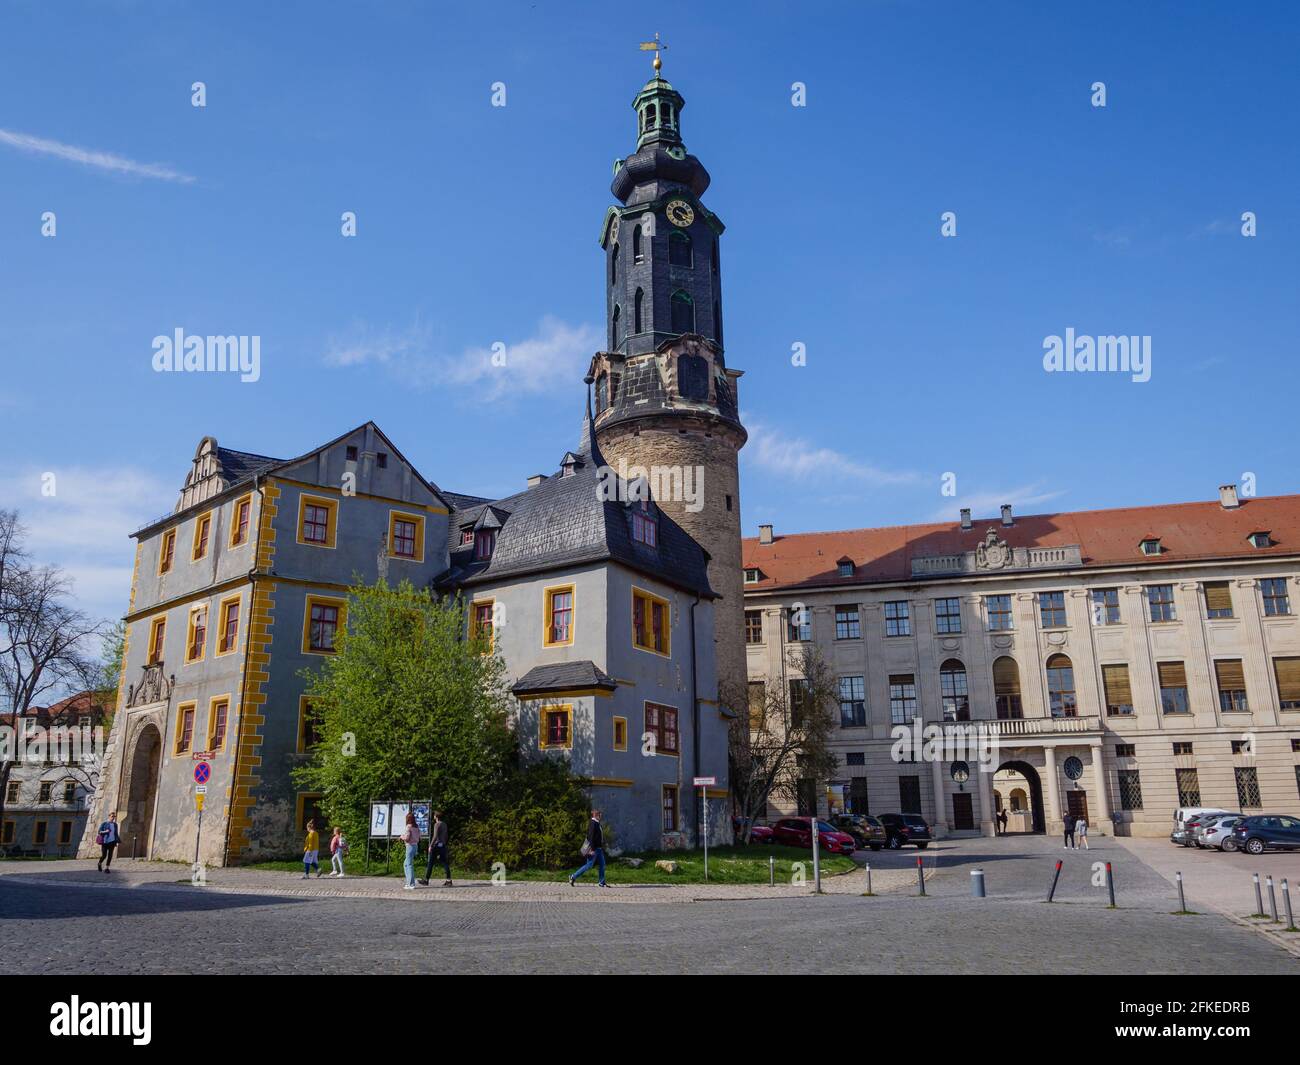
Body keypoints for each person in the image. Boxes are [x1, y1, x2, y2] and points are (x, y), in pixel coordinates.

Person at [568, 809, 608, 888]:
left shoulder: (596, 823)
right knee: (589, 865)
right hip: (594, 849)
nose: (601, 816)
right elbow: (590, 837)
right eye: (600, 815)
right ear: (596, 815)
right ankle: (573, 876)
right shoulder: (593, 823)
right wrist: (591, 849)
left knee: (602, 864)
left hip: (599, 849)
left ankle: (601, 882)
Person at [418, 810, 452, 887]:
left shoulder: (437, 825)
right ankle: (449, 880)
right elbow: (446, 836)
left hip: (436, 845)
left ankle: (426, 880)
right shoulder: (444, 824)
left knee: (431, 862)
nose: (433, 817)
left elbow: (435, 836)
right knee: (444, 862)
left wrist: (430, 845)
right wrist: (444, 843)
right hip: (442, 845)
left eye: (434, 815)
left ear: (436, 817)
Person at [399, 811, 420, 890]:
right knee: (406, 864)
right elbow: (419, 837)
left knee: (409, 864)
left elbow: (407, 838)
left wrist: (401, 837)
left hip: (410, 846)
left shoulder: (408, 827)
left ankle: (411, 884)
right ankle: (409, 882)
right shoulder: (416, 827)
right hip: (415, 846)